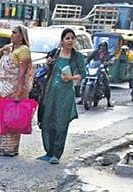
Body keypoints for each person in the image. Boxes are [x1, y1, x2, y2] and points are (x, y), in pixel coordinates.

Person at [37, 28, 85, 164]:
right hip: (50, 92)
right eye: (67, 38)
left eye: (72, 38)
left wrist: (71, 78)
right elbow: (48, 69)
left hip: (66, 94)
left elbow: (82, 74)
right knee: (47, 121)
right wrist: (49, 63)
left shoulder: (77, 56)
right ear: (62, 41)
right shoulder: (56, 53)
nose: (70, 41)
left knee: (61, 123)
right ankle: (48, 151)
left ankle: (56, 154)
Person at [0, 24, 32, 156]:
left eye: (15, 33)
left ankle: (9, 148)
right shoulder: (9, 48)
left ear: (22, 36)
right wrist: (2, 50)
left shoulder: (23, 51)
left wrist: (19, 92)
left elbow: (22, 73)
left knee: (11, 118)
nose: (12, 35)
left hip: (14, 88)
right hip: (2, 88)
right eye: (12, 32)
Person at [89, 39, 113, 108]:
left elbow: (111, 60)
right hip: (94, 69)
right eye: (101, 46)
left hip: (102, 70)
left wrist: (108, 62)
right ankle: (83, 98)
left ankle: (108, 100)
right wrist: (86, 62)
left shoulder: (108, 54)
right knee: (84, 80)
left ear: (106, 47)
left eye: (104, 46)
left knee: (106, 83)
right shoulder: (95, 52)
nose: (102, 47)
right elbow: (89, 59)